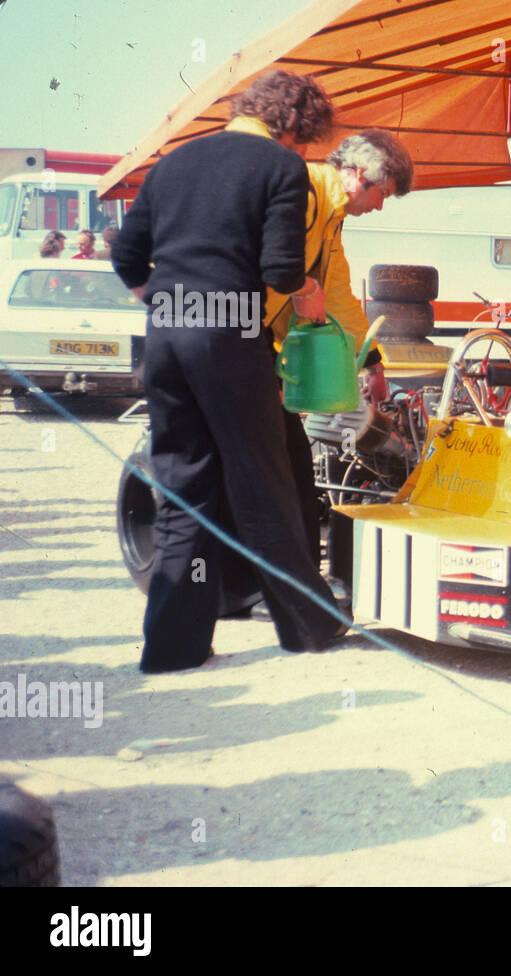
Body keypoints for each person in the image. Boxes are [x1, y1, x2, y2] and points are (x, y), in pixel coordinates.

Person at [111, 70, 345, 672]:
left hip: (166, 336)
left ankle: (171, 646)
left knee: (182, 488)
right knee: (263, 483)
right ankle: (308, 629)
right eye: (301, 141)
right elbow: (278, 270)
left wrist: (166, 299)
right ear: (291, 123)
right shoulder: (279, 168)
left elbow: (125, 255)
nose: (298, 152)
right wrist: (309, 291)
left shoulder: (172, 164)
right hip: (232, 335)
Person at [254, 128, 413, 583]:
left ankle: (293, 578)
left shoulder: (332, 216)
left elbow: (338, 291)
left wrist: (371, 361)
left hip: (255, 336)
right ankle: (289, 582)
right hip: (237, 333)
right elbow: (280, 269)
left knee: (288, 460)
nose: (380, 205)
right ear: (358, 174)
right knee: (274, 460)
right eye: (383, 193)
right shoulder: (303, 193)